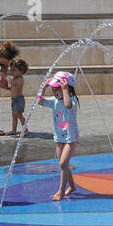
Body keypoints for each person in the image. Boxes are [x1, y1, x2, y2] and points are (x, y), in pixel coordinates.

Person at [39, 70, 79, 201]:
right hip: (59, 137)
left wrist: (65, 90)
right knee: (64, 164)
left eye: (57, 90)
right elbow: (40, 102)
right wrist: (44, 88)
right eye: (53, 90)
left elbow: (67, 106)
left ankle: (61, 191)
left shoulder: (72, 100)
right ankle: (72, 186)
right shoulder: (54, 101)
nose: (55, 93)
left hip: (70, 138)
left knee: (62, 164)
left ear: (67, 88)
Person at [6, 57, 29, 136]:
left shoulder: (20, 79)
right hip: (14, 99)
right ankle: (14, 130)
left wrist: (5, 77)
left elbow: (13, 83)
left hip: (19, 100)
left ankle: (25, 130)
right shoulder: (15, 78)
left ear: (21, 71)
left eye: (14, 70)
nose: (12, 72)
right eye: (11, 70)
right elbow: (12, 87)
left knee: (19, 115)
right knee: (14, 116)